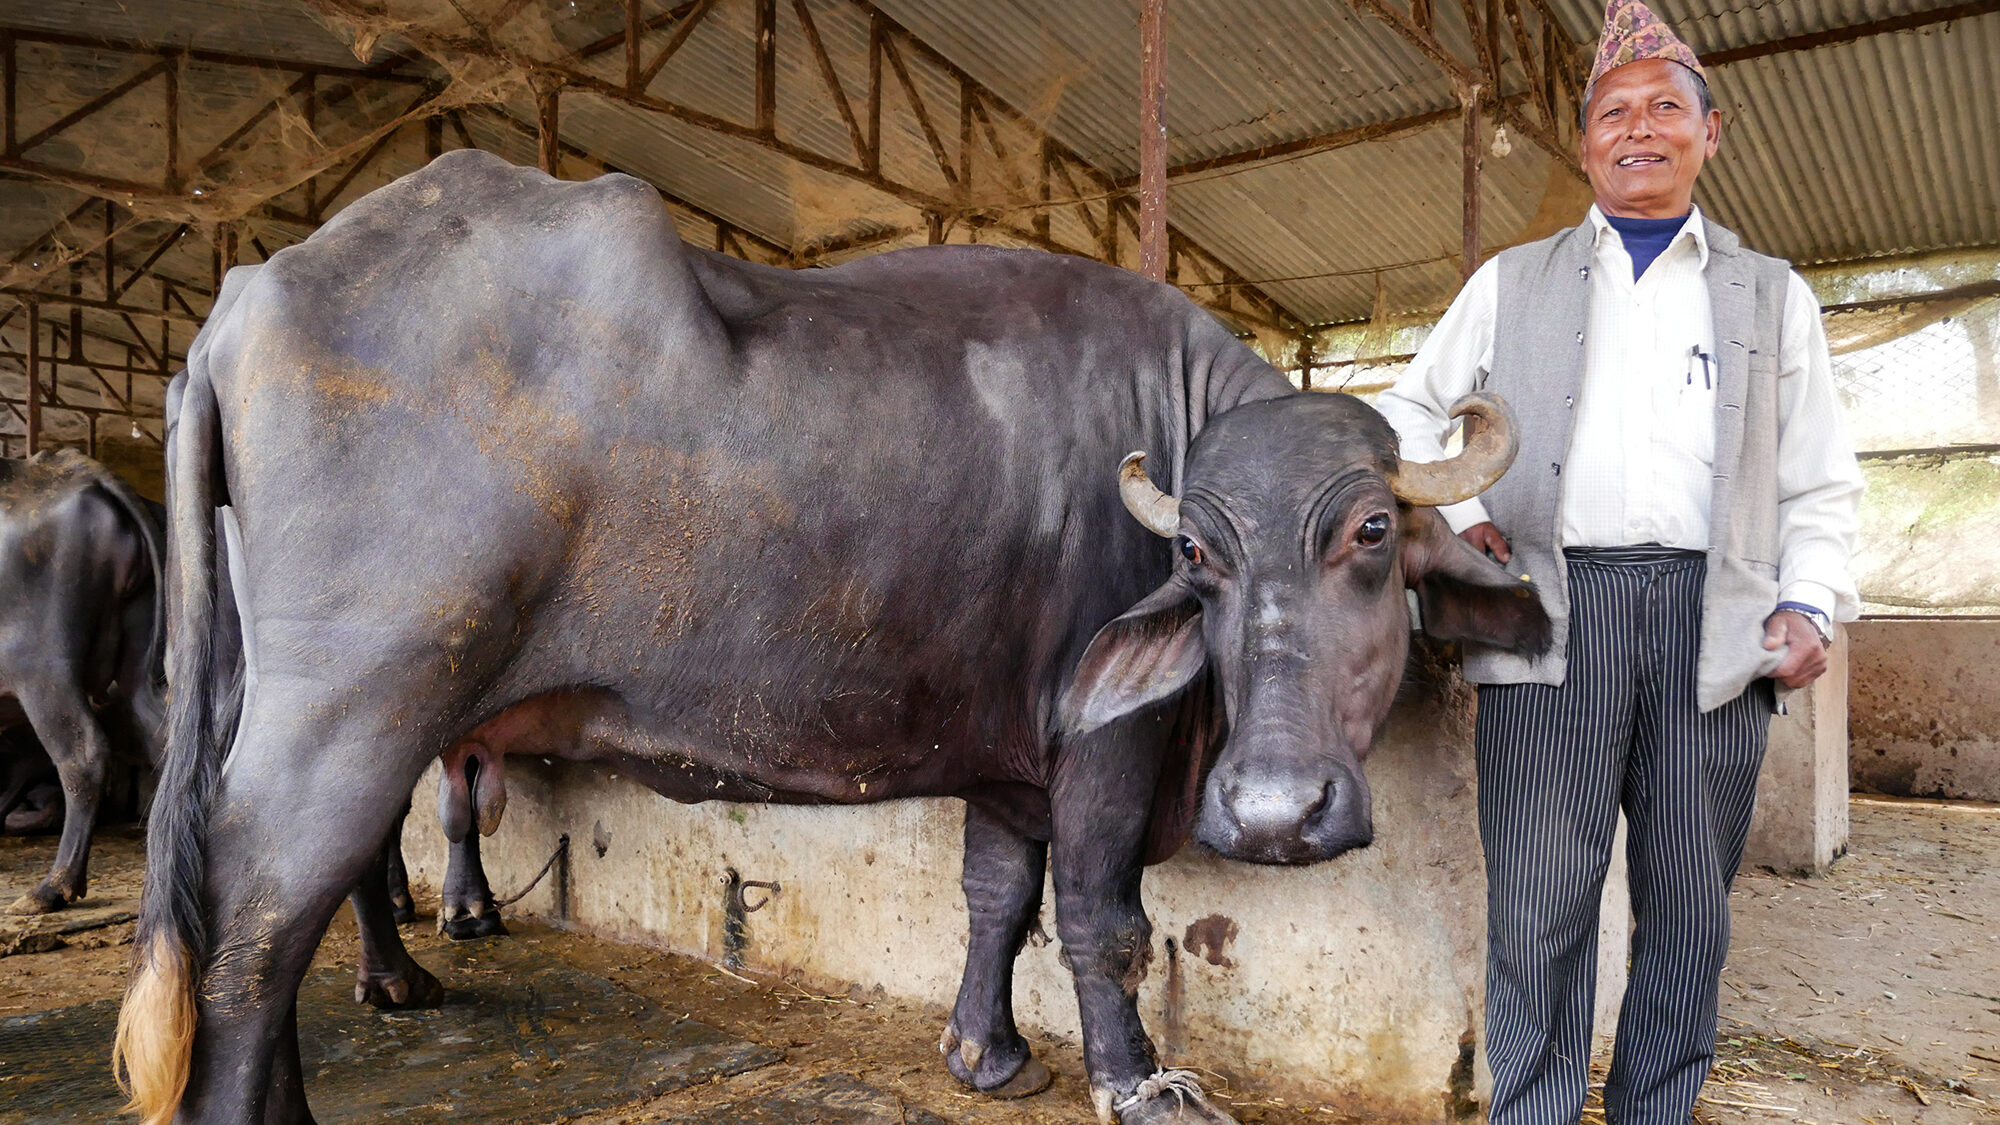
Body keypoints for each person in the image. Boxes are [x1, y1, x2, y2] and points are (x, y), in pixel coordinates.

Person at [1375, 2, 1863, 1122]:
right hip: (1546, 609)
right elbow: (1401, 412)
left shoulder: (1768, 295)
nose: (1635, 129)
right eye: (1611, 114)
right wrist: (1462, 516)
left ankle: (1656, 1105)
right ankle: (1534, 1109)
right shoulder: (1510, 282)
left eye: (1662, 109)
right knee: (1541, 904)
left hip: (1714, 616)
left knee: (1687, 909)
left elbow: (1817, 475)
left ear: (1708, 130)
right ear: (1584, 142)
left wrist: (1805, 603)